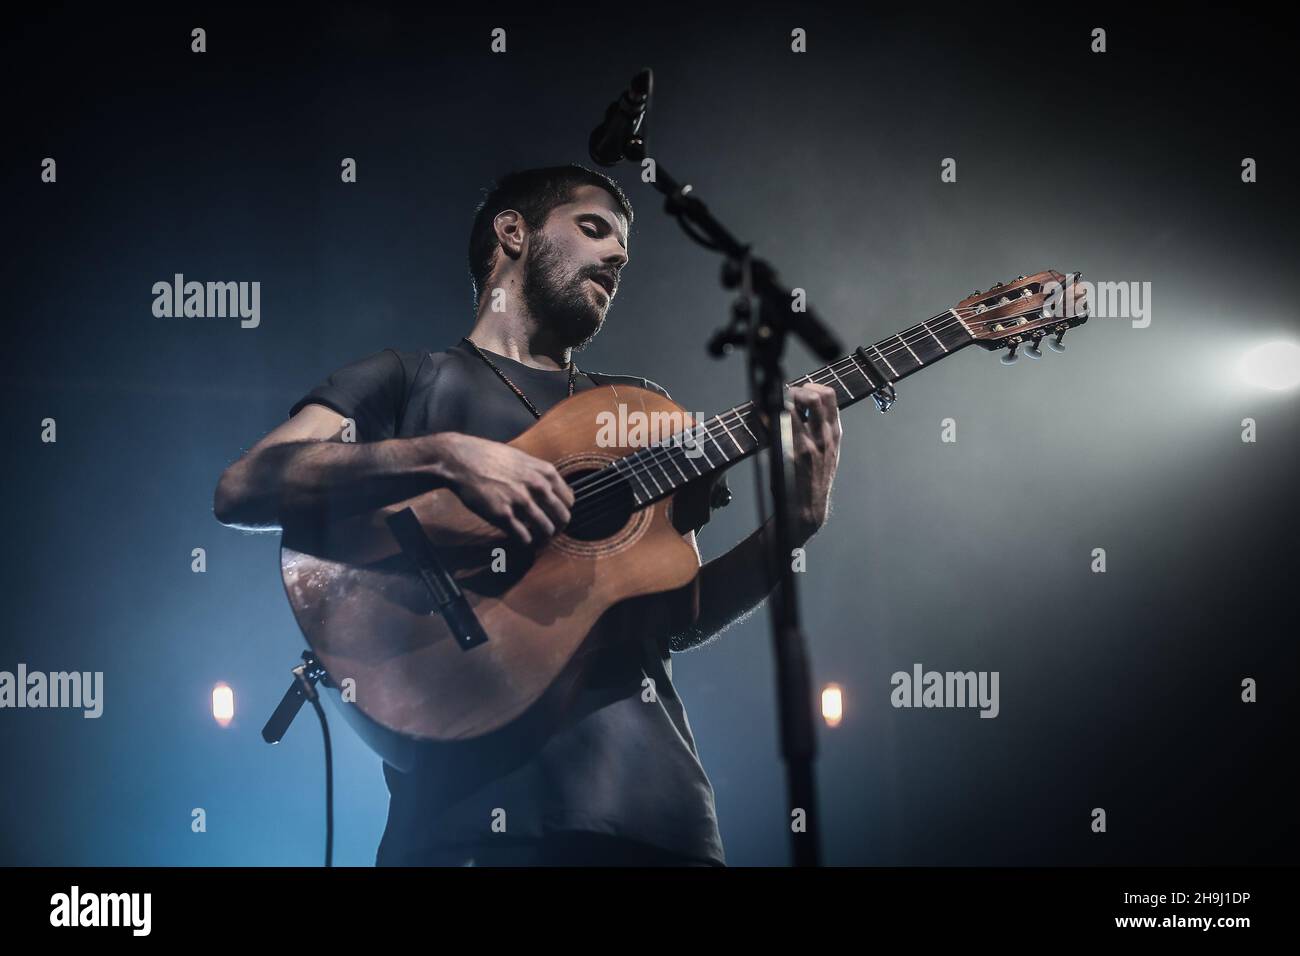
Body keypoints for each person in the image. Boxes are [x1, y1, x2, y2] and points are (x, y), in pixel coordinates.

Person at [213, 164, 842, 866]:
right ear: (512, 232)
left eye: (624, 252)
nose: (615, 258)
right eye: (594, 229)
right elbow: (246, 486)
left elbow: (680, 617)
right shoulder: (404, 379)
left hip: (655, 820)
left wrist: (793, 529)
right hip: (459, 821)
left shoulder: (638, 411)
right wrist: (446, 457)